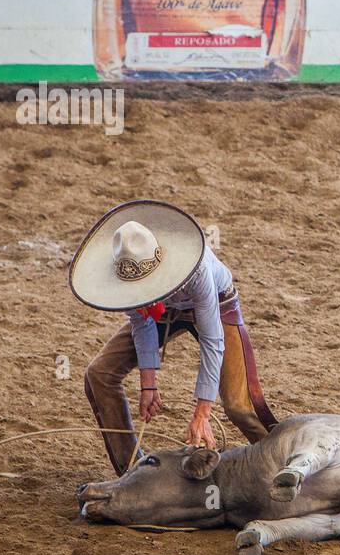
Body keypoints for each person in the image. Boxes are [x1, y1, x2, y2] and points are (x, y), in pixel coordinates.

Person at [69, 200, 277, 475]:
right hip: (163, 312)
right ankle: (133, 472)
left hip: (214, 304)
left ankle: (282, 467)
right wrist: (148, 385)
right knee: (99, 373)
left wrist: (202, 413)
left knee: (239, 406)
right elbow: (142, 322)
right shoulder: (127, 274)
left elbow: (213, 341)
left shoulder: (197, 269)